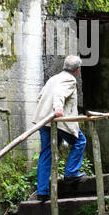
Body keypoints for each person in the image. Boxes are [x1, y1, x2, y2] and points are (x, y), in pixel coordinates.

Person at [34, 54, 87, 200]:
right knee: (80, 141)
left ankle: (42, 192)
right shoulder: (69, 79)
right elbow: (59, 94)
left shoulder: (53, 78)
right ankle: (71, 172)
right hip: (59, 121)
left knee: (46, 153)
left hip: (44, 121)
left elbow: (40, 96)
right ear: (78, 70)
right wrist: (58, 108)